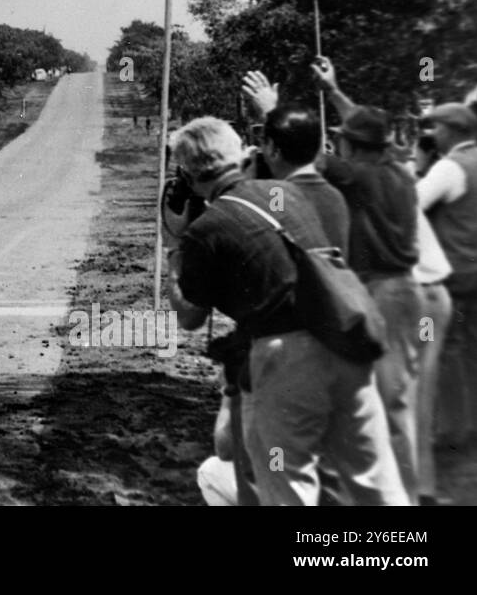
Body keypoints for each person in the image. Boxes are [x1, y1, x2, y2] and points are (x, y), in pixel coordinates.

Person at [168, 116, 406, 505]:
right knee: (374, 482)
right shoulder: (287, 193)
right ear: (242, 155)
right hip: (345, 337)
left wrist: (173, 253)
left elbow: (191, 317)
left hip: (286, 359)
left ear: (189, 174)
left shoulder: (205, 231)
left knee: (287, 486)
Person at [307, 57, 425, 503]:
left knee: (390, 407)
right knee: (383, 402)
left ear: (352, 149)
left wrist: (270, 111)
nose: (337, 148)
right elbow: (367, 129)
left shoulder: (356, 175)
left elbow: (303, 153)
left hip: (383, 294)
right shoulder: (397, 167)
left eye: (341, 142)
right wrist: (334, 90)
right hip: (397, 293)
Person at [416, 102, 477, 466]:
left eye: (436, 128)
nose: (432, 135)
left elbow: (413, 203)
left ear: (452, 130)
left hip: (455, 275)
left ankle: (453, 428)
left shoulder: (451, 165)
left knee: (448, 351)